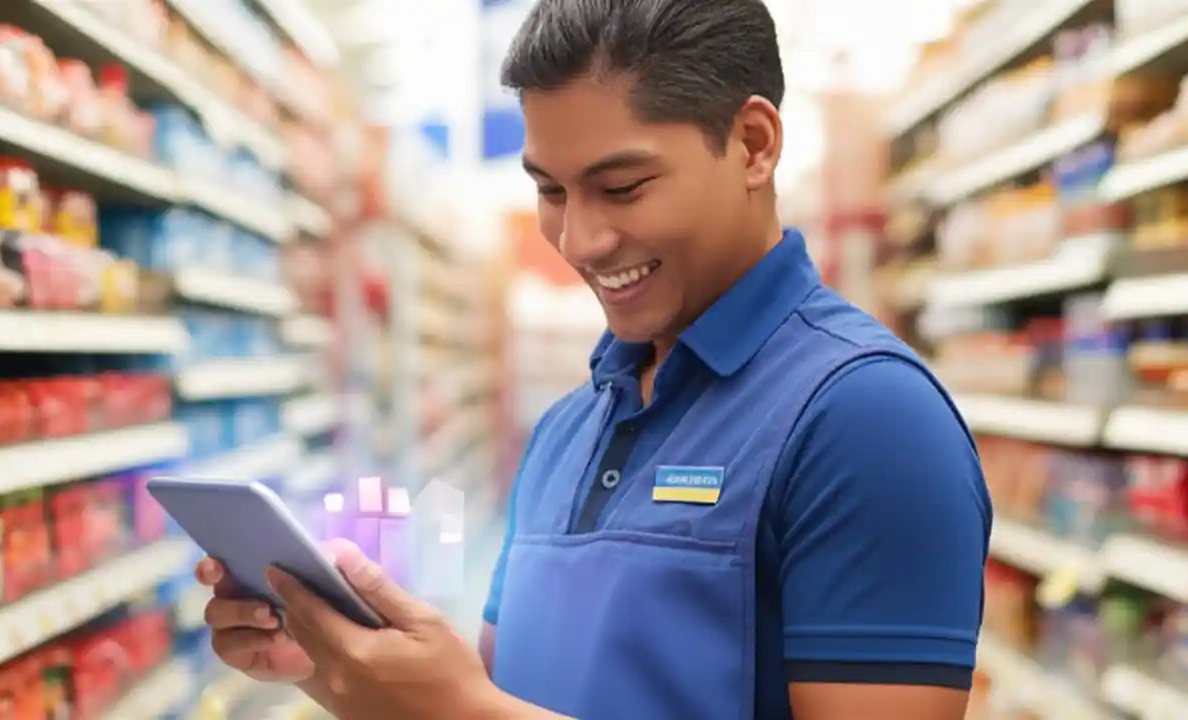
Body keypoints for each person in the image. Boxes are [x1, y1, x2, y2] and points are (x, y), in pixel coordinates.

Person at [195, 1, 993, 718]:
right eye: (550, 191)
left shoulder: (868, 420)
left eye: (622, 187)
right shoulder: (565, 432)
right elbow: (514, 697)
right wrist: (342, 670)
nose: (579, 241)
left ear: (752, 145)